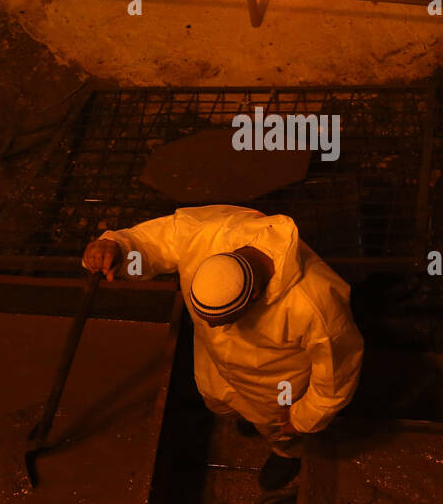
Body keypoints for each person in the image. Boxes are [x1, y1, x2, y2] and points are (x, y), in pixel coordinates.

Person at [81, 204, 363, 489]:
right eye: (208, 321)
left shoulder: (317, 302)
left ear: (253, 296)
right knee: (223, 402)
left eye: (224, 321)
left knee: (277, 429)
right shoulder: (207, 234)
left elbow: (336, 376)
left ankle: (286, 453)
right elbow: (157, 240)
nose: (215, 329)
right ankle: (245, 416)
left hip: (275, 388)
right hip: (215, 368)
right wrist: (118, 249)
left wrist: (303, 420)